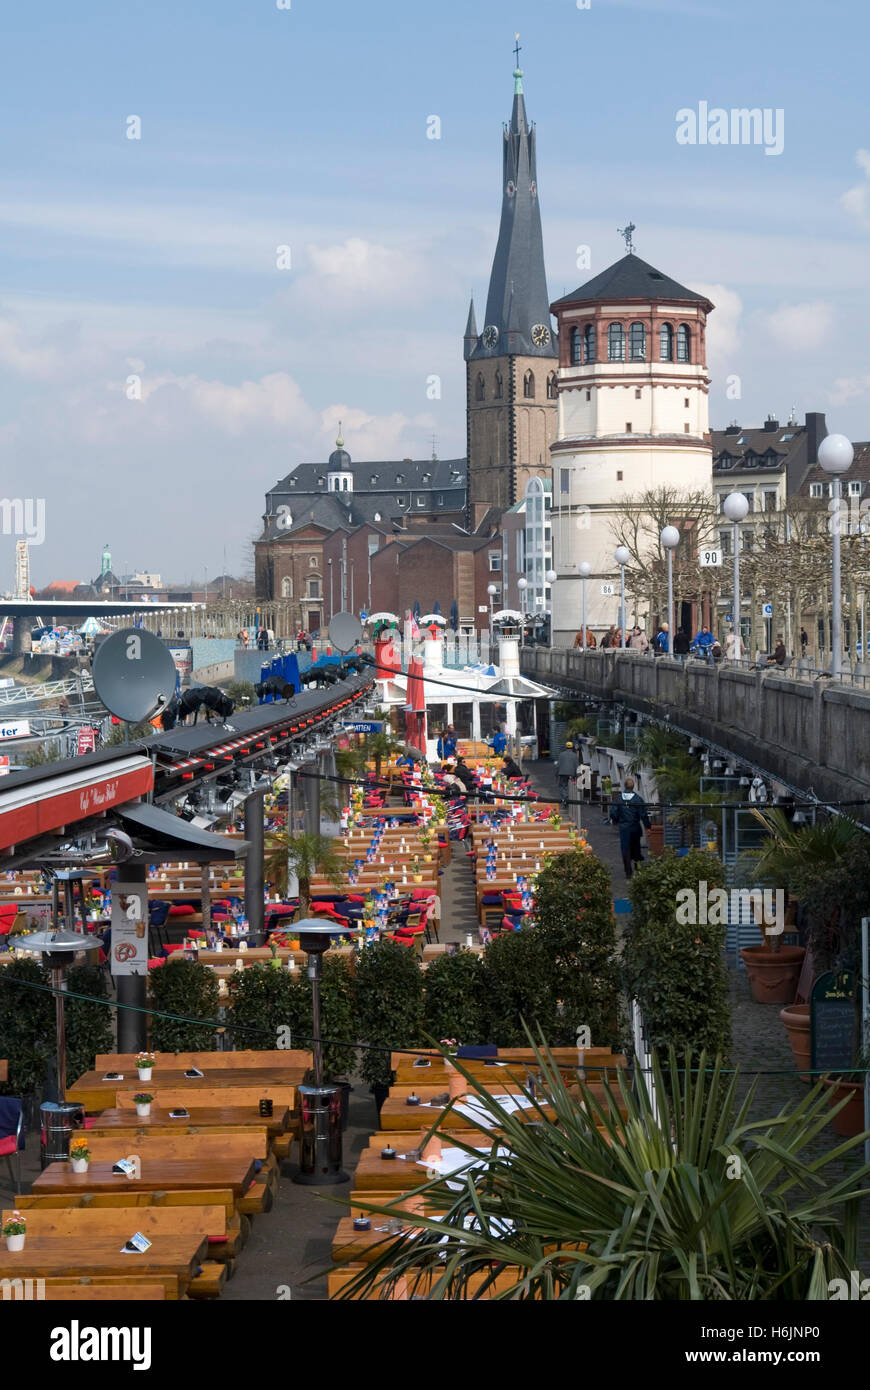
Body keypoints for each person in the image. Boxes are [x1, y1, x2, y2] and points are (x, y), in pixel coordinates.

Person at [609, 776, 652, 878]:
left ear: (625, 786)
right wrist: (648, 826)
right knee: (636, 847)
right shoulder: (638, 799)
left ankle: (628, 871)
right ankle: (638, 866)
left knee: (625, 849)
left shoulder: (619, 798)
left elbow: (613, 812)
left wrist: (616, 820)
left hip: (624, 828)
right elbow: (643, 814)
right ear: (634, 786)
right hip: (635, 827)